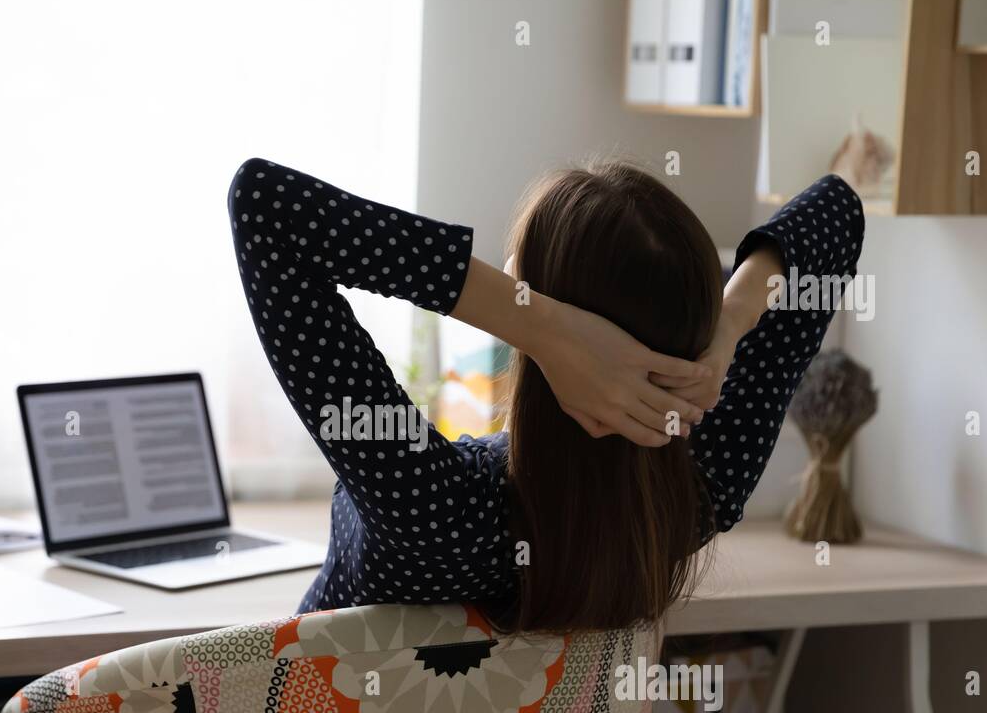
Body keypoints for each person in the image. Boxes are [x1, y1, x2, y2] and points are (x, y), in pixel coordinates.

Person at [227, 157, 864, 632]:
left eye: (516, 280)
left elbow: (265, 205)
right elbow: (838, 213)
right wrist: (730, 324)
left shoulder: (425, 502)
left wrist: (544, 326)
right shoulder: (698, 489)